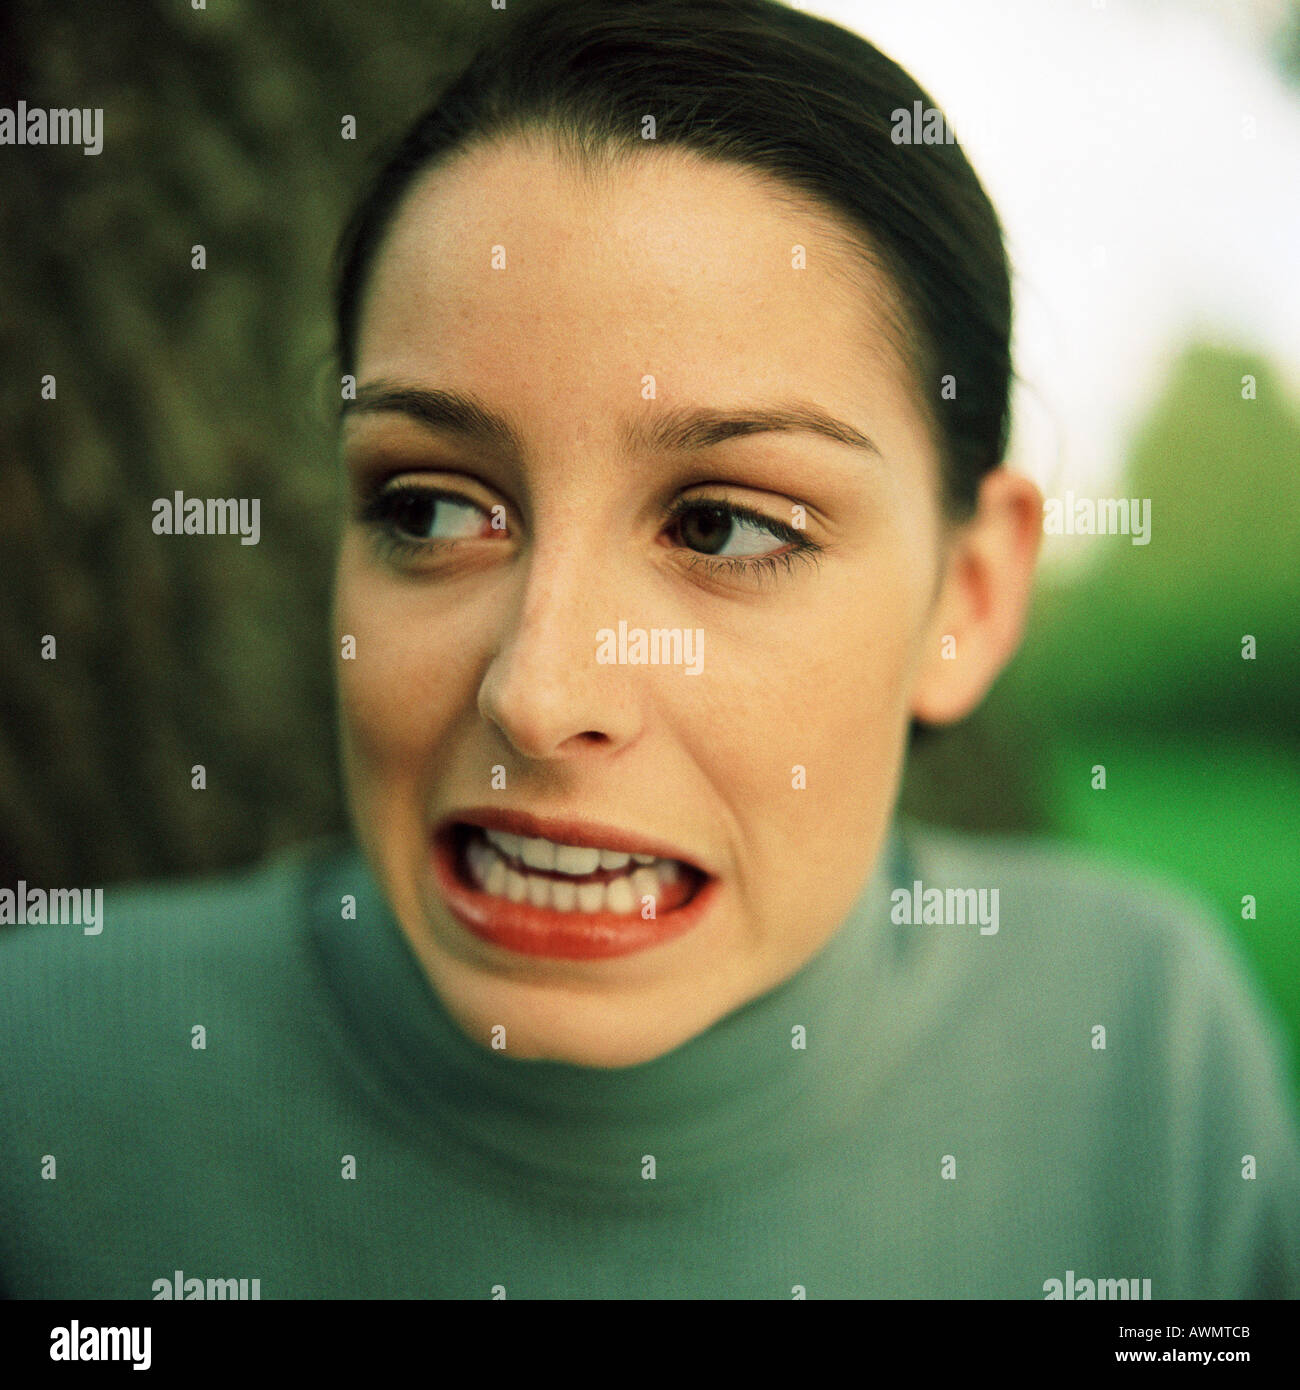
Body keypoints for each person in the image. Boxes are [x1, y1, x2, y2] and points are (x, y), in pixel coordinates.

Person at [2, 0, 1296, 1300]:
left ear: (968, 595)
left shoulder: (1141, 1047)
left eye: (726, 526)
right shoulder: (43, 1067)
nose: (540, 692)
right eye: (432, 507)